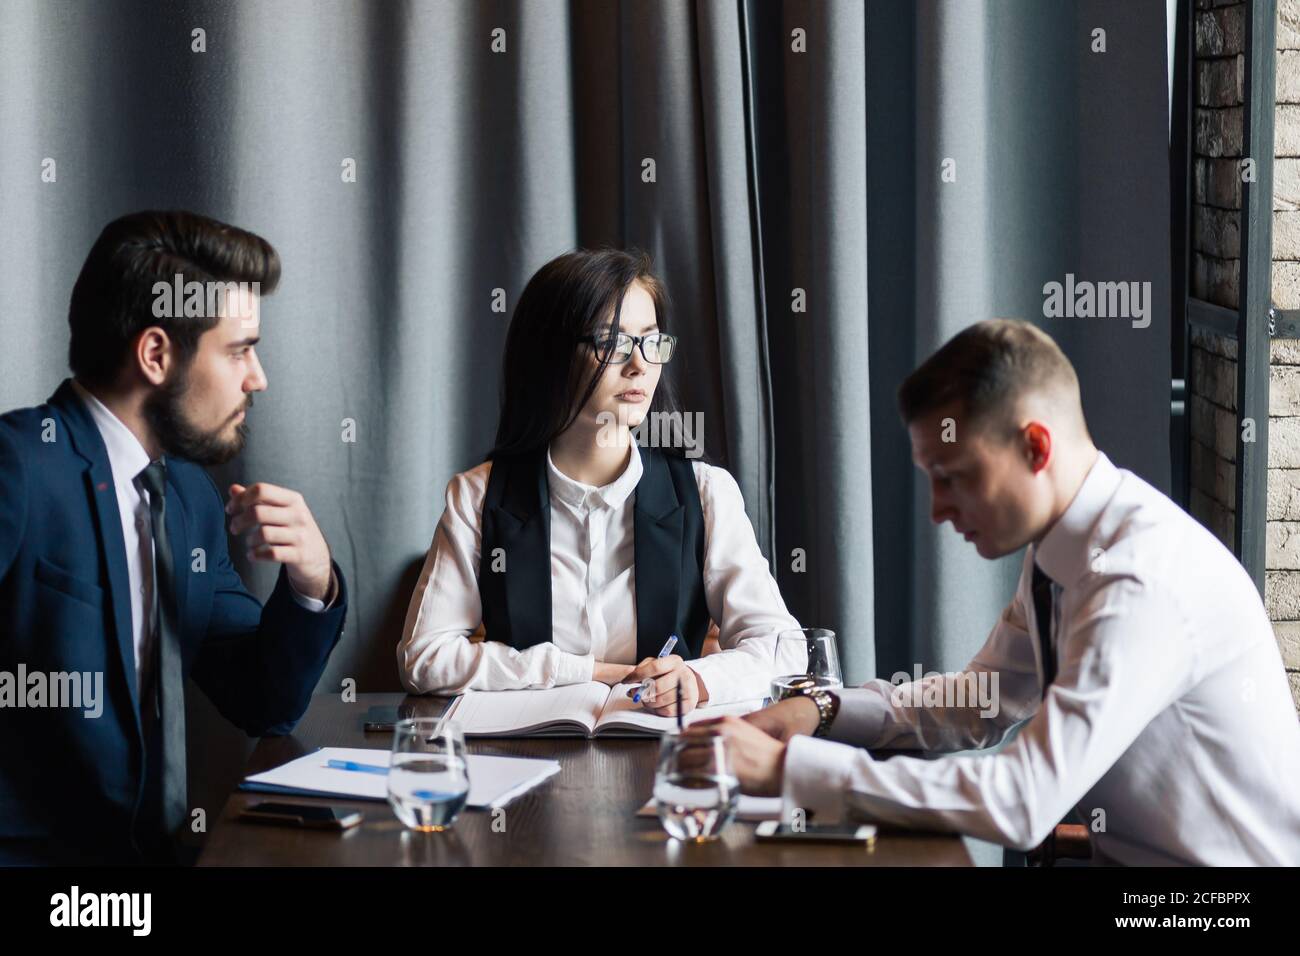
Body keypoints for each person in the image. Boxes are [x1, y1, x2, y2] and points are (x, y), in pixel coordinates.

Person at [692, 318, 1300, 865]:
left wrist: (787, 769)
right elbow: (978, 703)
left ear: (1035, 447)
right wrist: (825, 710)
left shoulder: (1136, 580)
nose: (936, 510)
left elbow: (1025, 800)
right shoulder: (1061, 549)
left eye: (952, 477)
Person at [0, 211, 348, 865]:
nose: (259, 377)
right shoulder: (18, 465)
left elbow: (263, 703)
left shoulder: (184, 495)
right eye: (241, 349)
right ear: (156, 354)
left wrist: (310, 581)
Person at [398, 248, 802, 715]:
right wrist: (583, 671)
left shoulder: (706, 493)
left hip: (663, 761)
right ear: (549, 354)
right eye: (611, 343)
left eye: (651, 341)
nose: (639, 366)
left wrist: (696, 678)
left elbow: (784, 650)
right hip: (523, 760)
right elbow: (423, 658)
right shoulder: (479, 495)